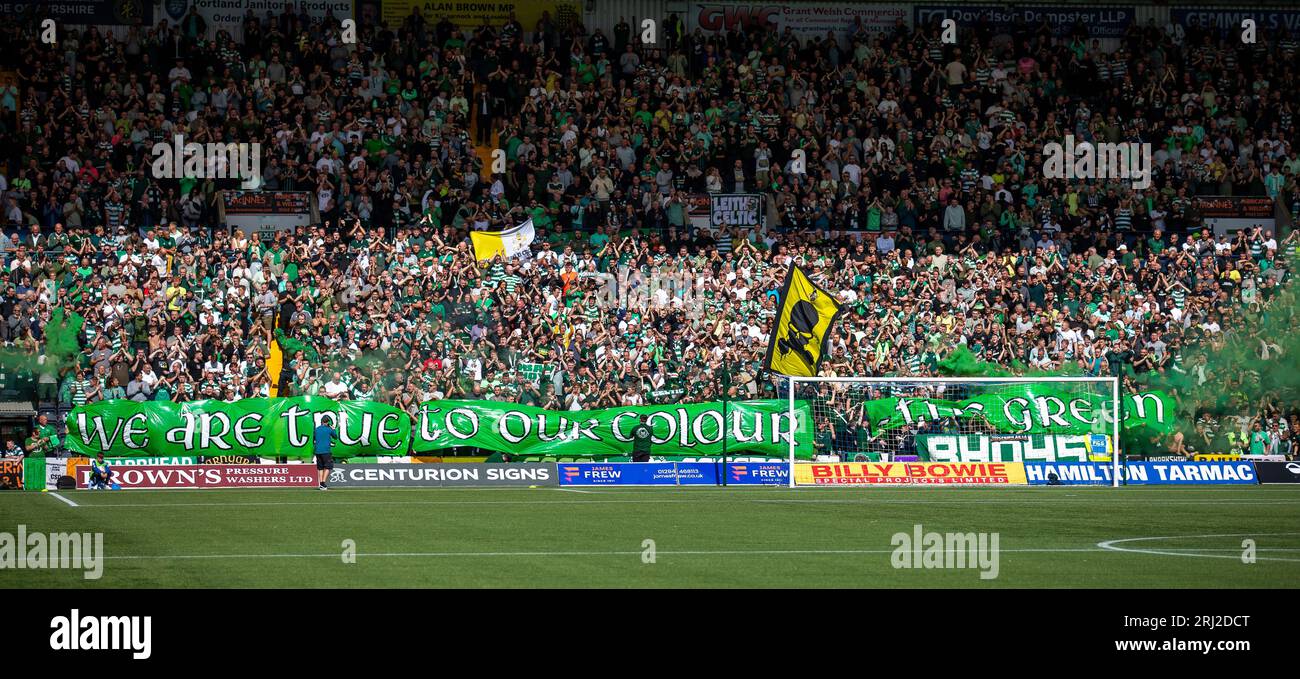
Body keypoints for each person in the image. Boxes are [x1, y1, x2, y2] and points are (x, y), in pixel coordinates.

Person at [313, 417, 338, 490]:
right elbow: (335, 437)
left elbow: (314, 438)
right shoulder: (329, 429)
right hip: (326, 451)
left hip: (318, 451)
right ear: (327, 422)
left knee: (320, 468)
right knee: (327, 467)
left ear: (321, 421)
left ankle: (321, 484)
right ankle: (323, 483)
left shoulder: (317, 429)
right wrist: (333, 429)